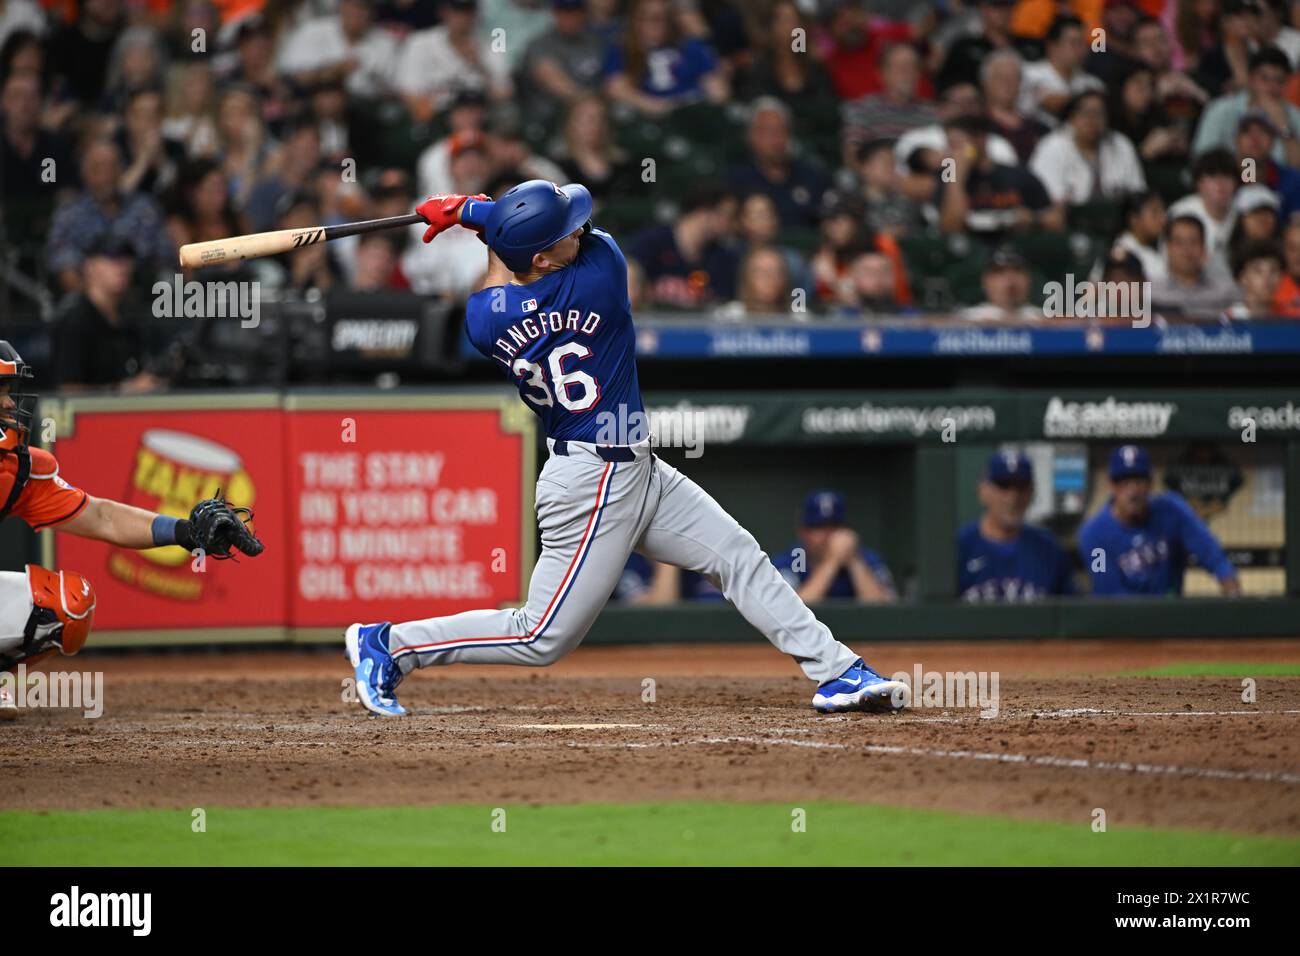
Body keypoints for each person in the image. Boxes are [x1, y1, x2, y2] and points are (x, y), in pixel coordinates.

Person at [344, 181, 911, 717]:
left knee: (736, 557)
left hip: (635, 469)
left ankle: (839, 671)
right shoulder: (602, 274)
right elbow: (563, 242)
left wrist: (482, 221)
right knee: (540, 637)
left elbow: (502, 276)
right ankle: (390, 644)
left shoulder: (483, 321)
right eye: (563, 231)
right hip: (591, 483)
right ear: (541, 259)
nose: (579, 228)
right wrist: (475, 210)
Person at [0, 341, 264, 715]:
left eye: (9, 392)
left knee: (68, 604)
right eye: (1, 392)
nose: (10, 404)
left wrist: (187, 532)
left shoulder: (15, 469)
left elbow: (101, 517)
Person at [1078, 444, 1241, 596]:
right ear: (1112, 487)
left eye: (1139, 481)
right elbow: (1108, 592)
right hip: (1123, 620)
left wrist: (1230, 583)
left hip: (1171, 616)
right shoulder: (1093, 536)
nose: (1133, 491)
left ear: (1151, 484)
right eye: (1124, 482)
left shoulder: (1171, 509)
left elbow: (1209, 550)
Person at [958, 450, 1074, 602]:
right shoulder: (959, 548)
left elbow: (1071, 615)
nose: (1013, 497)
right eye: (1003, 486)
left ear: (1031, 493)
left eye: (1021, 487)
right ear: (983, 491)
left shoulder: (1050, 549)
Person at [770, 491, 897, 604]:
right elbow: (788, 613)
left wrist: (855, 562)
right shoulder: (793, 561)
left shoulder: (868, 559)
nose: (828, 535)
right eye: (819, 527)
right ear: (804, 532)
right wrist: (832, 562)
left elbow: (886, 609)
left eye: (835, 526)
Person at [1027, 90, 1147, 205]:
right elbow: (1047, 201)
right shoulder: (1052, 147)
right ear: (1071, 117)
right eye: (1085, 113)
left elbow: (1138, 192)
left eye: (1098, 113)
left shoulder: (1121, 144)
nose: (1092, 120)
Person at [727, 97, 830, 229]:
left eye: (781, 131)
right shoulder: (736, 180)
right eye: (767, 132)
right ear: (751, 136)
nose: (775, 140)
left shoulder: (813, 178)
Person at [1192, 45, 1300, 164]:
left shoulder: (1294, 115)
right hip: (1228, 179)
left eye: (1279, 81)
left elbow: (1297, 169)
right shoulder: (1221, 109)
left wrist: (1283, 127)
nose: (1271, 88)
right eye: (1264, 79)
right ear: (1251, 80)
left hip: (1275, 181)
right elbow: (1201, 160)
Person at [1017, 15, 1105, 127]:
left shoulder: (1093, 84)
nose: (1080, 49)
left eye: (1083, 43)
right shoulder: (1028, 73)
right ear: (1052, 46)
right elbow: (1053, 104)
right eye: (1074, 43)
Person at [1152, 214, 1242, 315]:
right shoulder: (1150, 293)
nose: (1186, 250)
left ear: (1204, 248)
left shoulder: (1227, 293)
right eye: (1179, 243)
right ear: (1168, 249)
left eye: (1193, 242)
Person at [959, 247, 1041, 321]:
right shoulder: (965, 320)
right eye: (1000, 272)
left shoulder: (1044, 320)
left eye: (1018, 270)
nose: (1010, 279)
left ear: (1029, 279)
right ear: (985, 281)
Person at [1112, 189, 1169, 282]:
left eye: (1162, 212)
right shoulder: (1121, 250)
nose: (1162, 219)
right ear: (1134, 219)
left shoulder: (1159, 247)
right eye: (1155, 213)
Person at [1225, 237, 1285, 315]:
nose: (1267, 278)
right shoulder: (1229, 320)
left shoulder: (1288, 316)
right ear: (1242, 278)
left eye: (1273, 270)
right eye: (1257, 271)